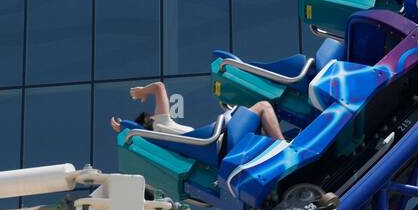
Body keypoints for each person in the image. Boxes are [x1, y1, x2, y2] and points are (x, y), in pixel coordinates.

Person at [109, 80, 286, 142]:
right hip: (220, 139)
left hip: (217, 141)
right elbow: (158, 87)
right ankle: (282, 146)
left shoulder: (162, 137)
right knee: (263, 106)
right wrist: (142, 92)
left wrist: (124, 128)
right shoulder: (162, 124)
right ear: (152, 119)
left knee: (257, 122)